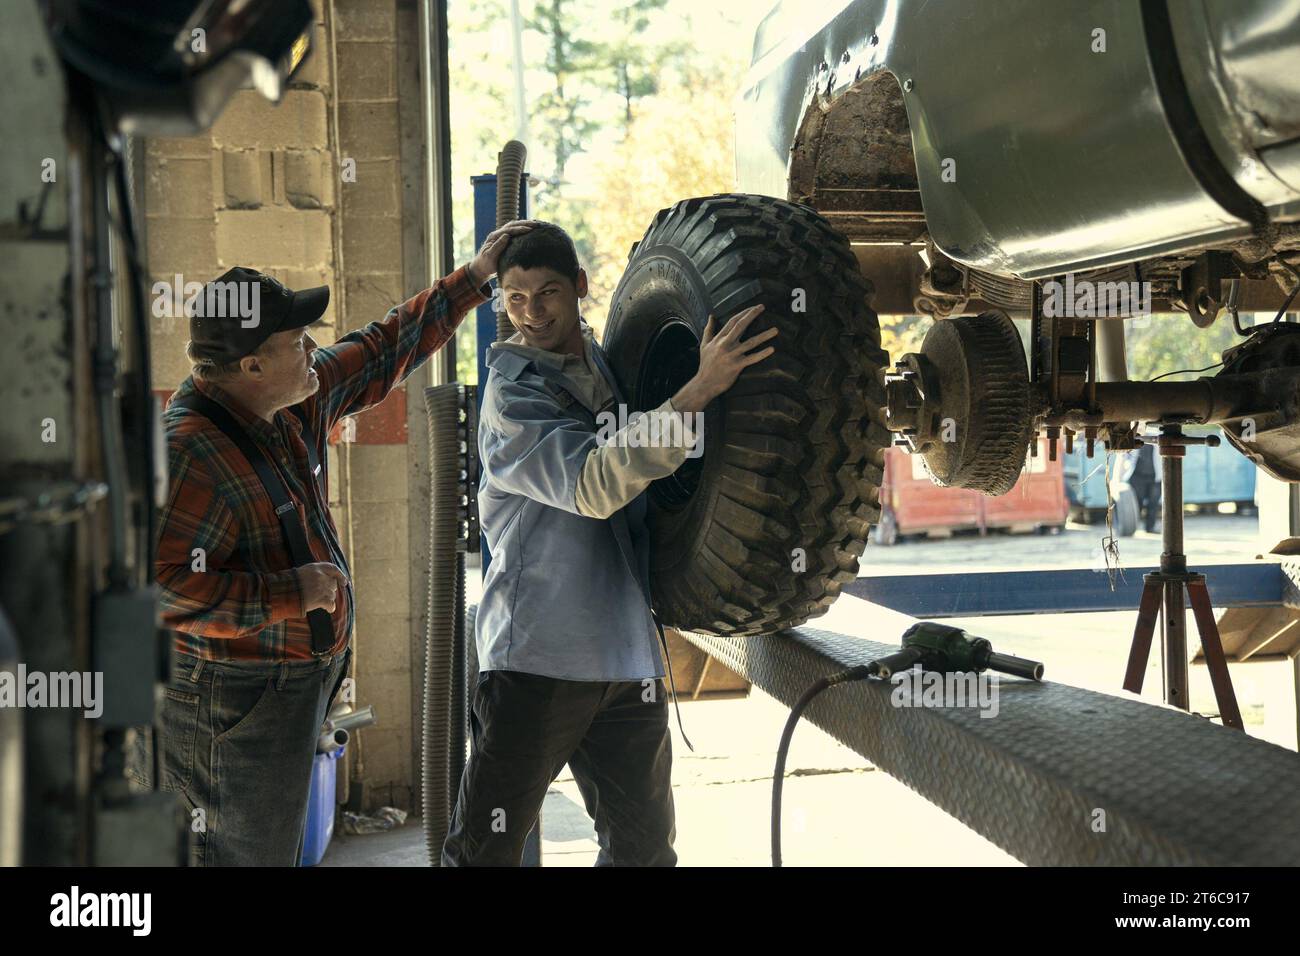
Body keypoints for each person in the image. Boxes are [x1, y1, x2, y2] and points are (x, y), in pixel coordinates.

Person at [146, 219, 536, 865]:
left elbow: (381, 349)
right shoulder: (187, 451)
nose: (313, 352)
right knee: (232, 854)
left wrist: (471, 280)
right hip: (228, 700)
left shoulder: (285, 403)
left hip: (287, 688)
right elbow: (155, 588)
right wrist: (284, 595)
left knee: (265, 849)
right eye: (299, 342)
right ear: (251, 364)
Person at [441, 222, 778, 866]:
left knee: (644, 852)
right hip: (538, 662)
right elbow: (594, 485)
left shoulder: (606, 362)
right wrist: (698, 390)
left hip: (628, 662)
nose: (532, 314)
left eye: (547, 293)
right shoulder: (513, 398)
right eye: (515, 298)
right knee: (485, 851)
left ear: (581, 288)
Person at [1121, 441, 1162, 533]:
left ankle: (1150, 528)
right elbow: (1124, 456)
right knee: (1136, 503)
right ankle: (1133, 528)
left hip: (1155, 477)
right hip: (1137, 476)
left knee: (1153, 504)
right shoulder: (1135, 437)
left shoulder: (1158, 438)